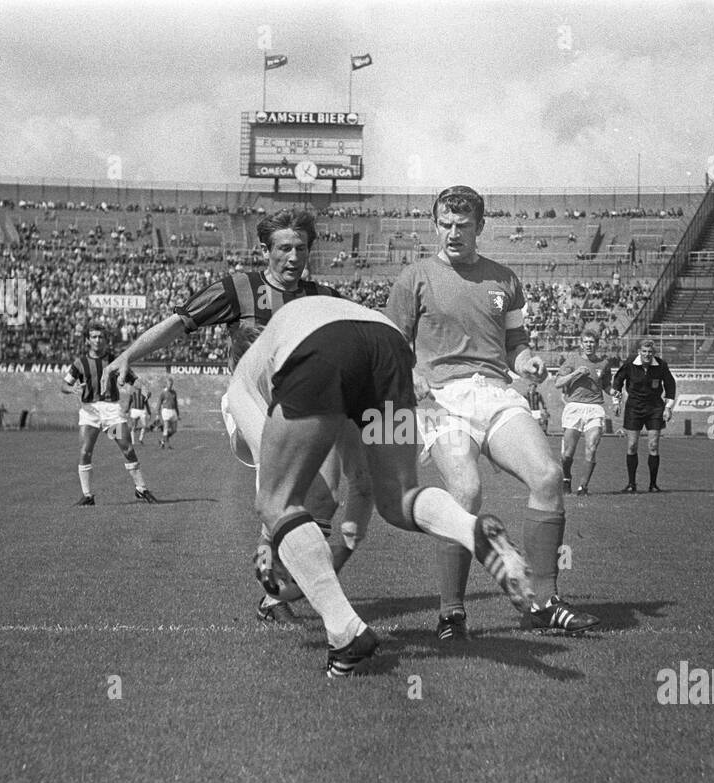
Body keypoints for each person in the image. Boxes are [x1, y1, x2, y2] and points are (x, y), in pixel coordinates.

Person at [238, 294, 537, 677]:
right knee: (399, 499)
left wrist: (269, 539)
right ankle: (472, 528)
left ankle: (346, 634)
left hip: (324, 347)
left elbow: (273, 477)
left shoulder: (244, 380)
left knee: (275, 503)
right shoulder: (302, 332)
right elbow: (362, 483)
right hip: (389, 347)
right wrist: (347, 539)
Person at [103, 209, 357, 623]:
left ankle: (276, 589)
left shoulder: (322, 298)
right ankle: (295, 570)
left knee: (326, 497)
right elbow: (179, 322)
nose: (294, 257)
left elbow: (364, 335)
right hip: (249, 404)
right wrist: (129, 354)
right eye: (284, 248)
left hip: (306, 408)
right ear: (265, 250)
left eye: (302, 248)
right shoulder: (238, 289)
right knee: (289, 487)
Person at [386, 185, 599, 639]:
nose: (453, 233)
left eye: (463, 225)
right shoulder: (414, 277)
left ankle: (542, 602)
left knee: (545, 476)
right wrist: (409, 375)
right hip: (441, 400)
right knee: (466, 491)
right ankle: (452, 612)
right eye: (445, 224)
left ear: (480, 227)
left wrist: (527, 361)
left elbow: (516, 345)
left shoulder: (505, 280)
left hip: (496, 392)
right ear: (435, 224)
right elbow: (391, 344)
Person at [62, 324, 158, 505]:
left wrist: (143, 387)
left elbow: (133, 379)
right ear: (87, 340)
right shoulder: (79, 363)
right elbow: (63, 385)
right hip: (89, 413)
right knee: (85, 452)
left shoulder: (115, 360)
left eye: (101, 337)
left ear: (106, 340)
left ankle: (141, 488)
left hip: (111, 413)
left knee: (127, 448)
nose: (98, 340)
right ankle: (87, 496)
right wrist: (72, 388)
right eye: (94, 337)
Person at [554, 327, 618, 496]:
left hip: (595, 408)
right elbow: (558, 383)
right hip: (574, 407)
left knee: (591, 447)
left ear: (597, 344)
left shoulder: (604, 363)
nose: (589, 345)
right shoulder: (572, 360)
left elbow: (606, 385)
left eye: (592, 342)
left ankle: (583, 487)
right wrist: (576, 373)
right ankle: (566, 478)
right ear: (581, 344)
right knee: (567, 454)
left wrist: (614, 392)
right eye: (586, 342)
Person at [611, 338, 676, 493]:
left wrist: (668, 408)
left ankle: (653, 484)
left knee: (653, 445)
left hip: (654, 408)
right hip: (634, 407)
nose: (647, 354)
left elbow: (670, 386)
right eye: (644, 351)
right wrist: (616, 402)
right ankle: (631, 484)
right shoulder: (630, 364)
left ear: (654, 353)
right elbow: (618, 381)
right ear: (639, 351)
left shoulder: (661, 365)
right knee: (632, 445)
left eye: (650, 352)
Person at [156, 376, 179, 449]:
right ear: (166, 384)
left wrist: (178, 413)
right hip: (166, 411)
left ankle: (162, 441)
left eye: (171, 384)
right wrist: (157, 413)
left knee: (174, 430)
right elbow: (159, 403)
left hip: (173, 411)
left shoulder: (174, 392)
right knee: (166, 428)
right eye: (169, 384)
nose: (170, 385)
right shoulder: (163, 393)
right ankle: (168, 445)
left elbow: (175, 403)